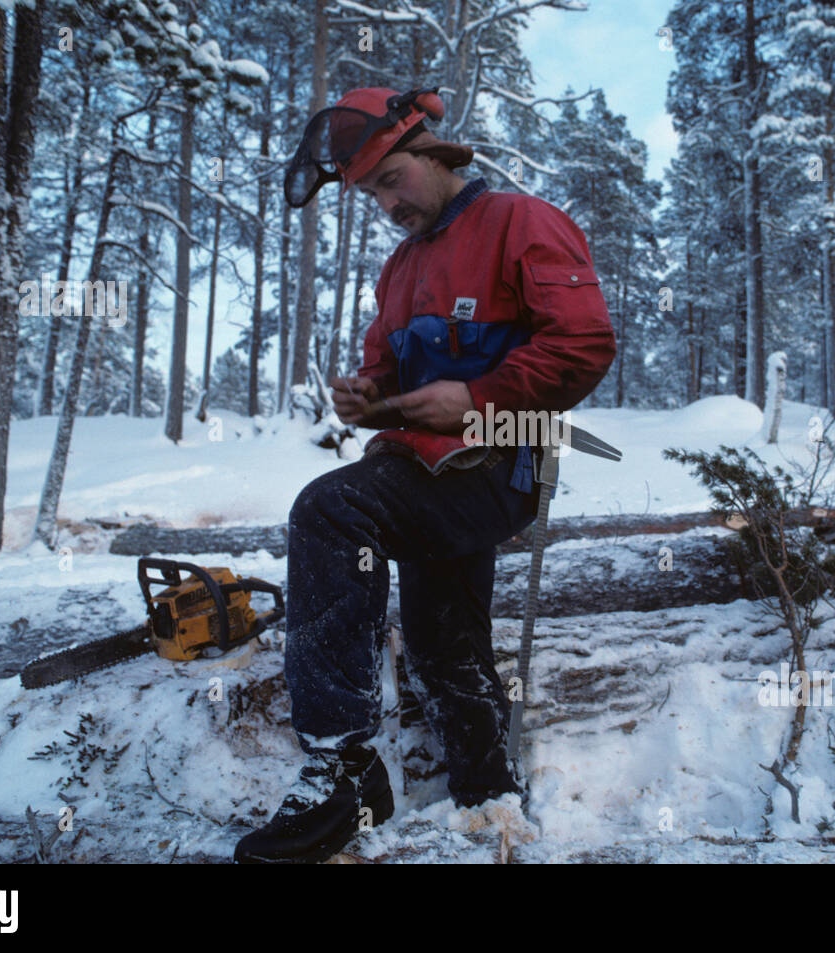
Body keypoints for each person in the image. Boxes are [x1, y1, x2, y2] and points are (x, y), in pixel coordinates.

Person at [233, 86, 616, 863]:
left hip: (497, 465)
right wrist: (364, 398)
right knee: (443, 638)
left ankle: (344, 762)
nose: (385, 203)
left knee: (330, 511)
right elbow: (387, 384)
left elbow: (584, 344)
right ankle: (487, 790)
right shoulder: (399, 270)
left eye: (391, 178)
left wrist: (478, 397)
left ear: (435, 153)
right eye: (370, 192)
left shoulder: (520, 222)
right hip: (424, 470)